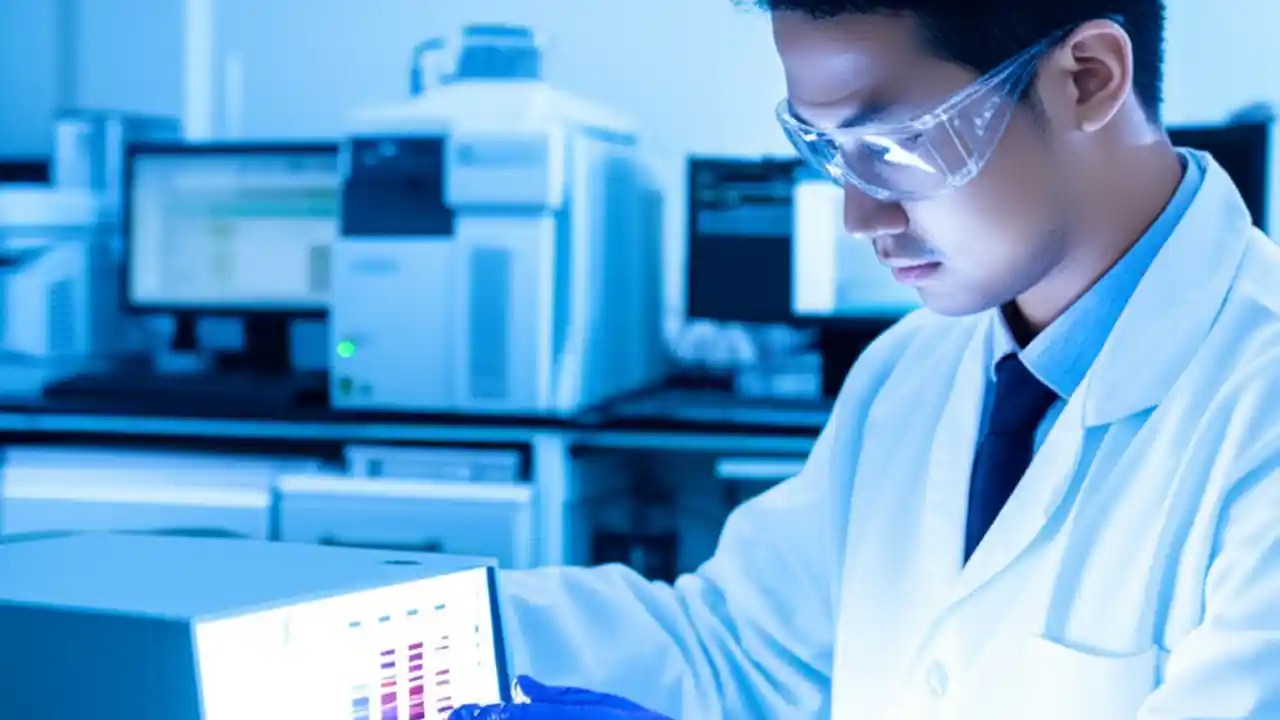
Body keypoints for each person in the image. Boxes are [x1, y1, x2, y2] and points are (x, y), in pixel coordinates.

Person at [455, 1, 1280, 718]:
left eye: (897, 144)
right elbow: (740, 652)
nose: (860, 214)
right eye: (828, 148)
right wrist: (406, 628)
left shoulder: (1257, 408)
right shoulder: (911, 371)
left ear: (1088, 79)